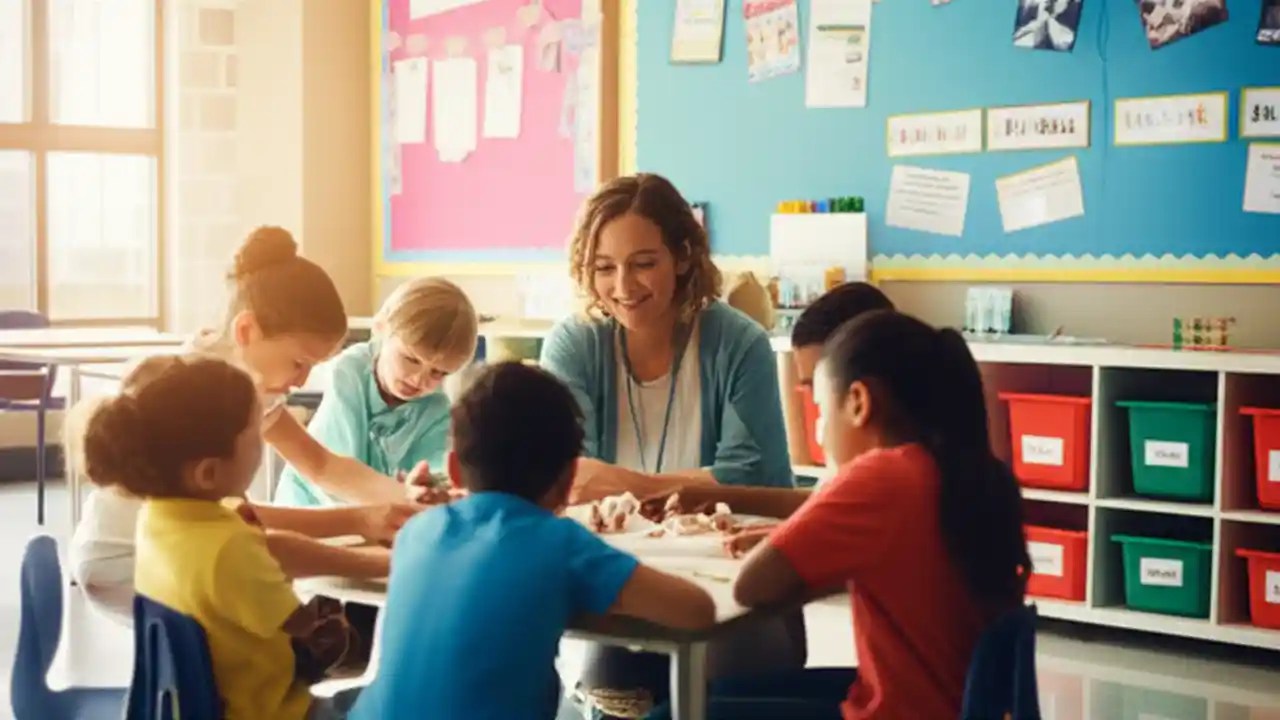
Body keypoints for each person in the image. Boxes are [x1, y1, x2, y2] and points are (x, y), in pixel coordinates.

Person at [657, 310, 1030, 719]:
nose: (818, 432)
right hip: (951, 703)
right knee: (717, 693)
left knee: (670, 714)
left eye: (820, 410)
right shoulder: (967, 472)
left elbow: (752, 587)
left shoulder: (883, 475)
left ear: (858, 403)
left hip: (900, 711)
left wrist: (790, 543)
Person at [538, 173, 800, 717]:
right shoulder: (574, 342)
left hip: (727, 576)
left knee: (722, 691)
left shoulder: (738, 343)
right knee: (611, 687)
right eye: (603, 267)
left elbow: (760, 479)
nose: (622, 285)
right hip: (623, 574)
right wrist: (698, 483)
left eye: (643, 262)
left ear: (683, 257)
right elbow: (569, 472)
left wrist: (630, 485)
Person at [69, 226, 426, 621]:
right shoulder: (195, 393)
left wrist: (402, 500)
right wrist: (358, 520)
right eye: (298, 363)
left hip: (160, 553)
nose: (303, 381)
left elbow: (321, 465)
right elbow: (233, 517)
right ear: (246, 330)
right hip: (124, 561)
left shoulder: (247, 384)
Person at [349, 362, 716, 720]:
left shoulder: (418, 530)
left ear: (455, 468)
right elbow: (697, 610)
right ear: (570, 477)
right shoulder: (560, 544)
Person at [66, 355, 367, 720]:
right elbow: (310, 633)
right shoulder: (229, 548)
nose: (263, 445)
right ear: (208, 473)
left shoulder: (157, 517)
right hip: (270, 712)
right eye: (256, 435)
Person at [275, 277, 478, 506]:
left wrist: (426, 486)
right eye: (411, 359)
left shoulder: (435, 408)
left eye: (438, 373)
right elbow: (336, 468)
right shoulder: (350, 372)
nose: (419, 379)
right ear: (381, 329)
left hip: (379, 513)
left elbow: (430, 476)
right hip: (312, 503)